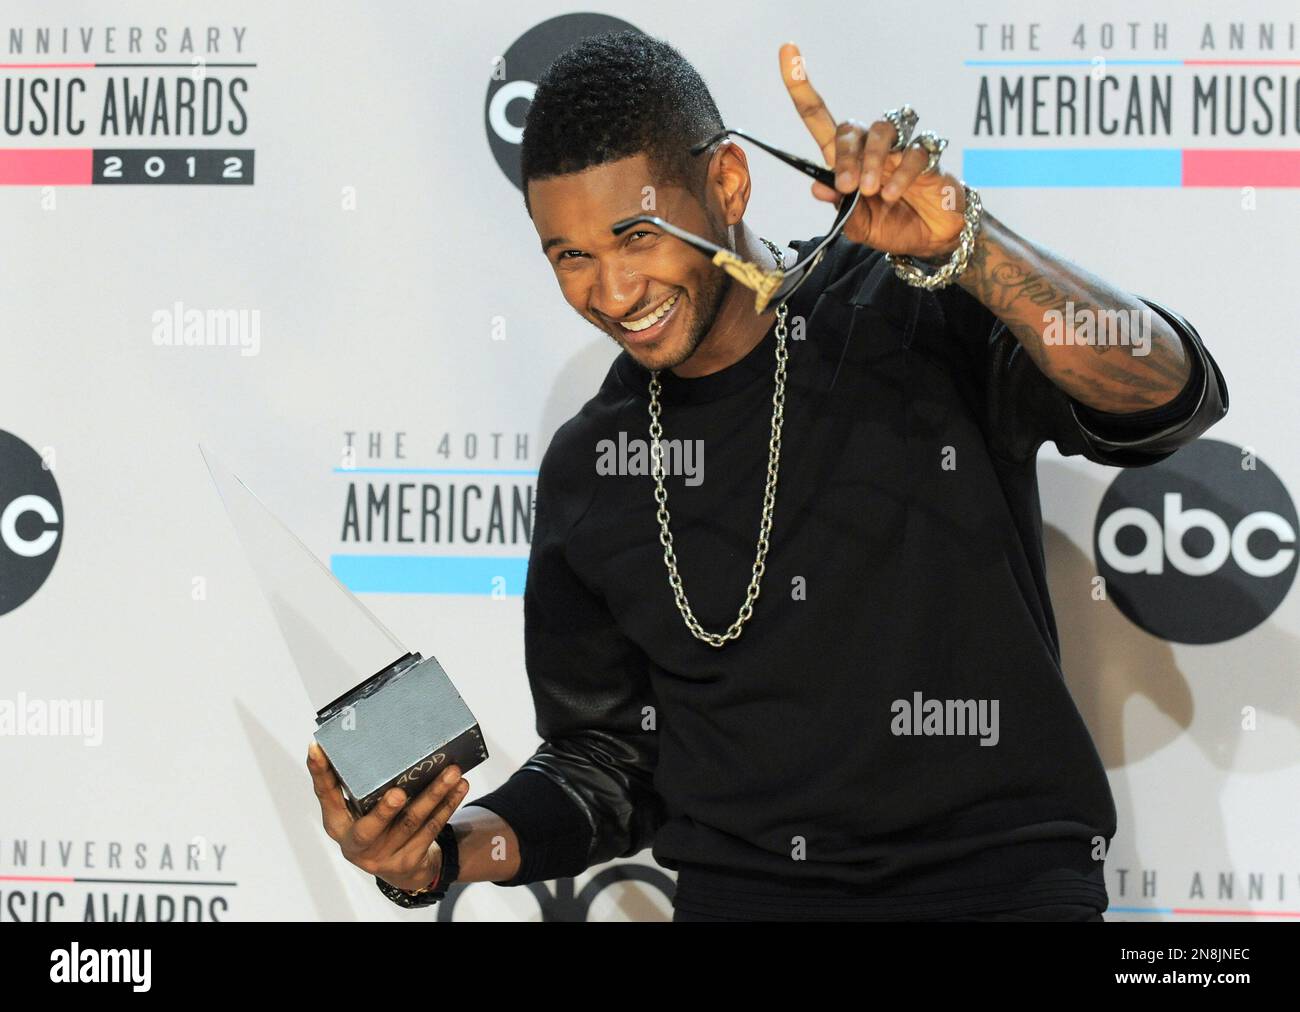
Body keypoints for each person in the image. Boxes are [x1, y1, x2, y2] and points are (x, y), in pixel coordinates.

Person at [307, 30, 1228, 922]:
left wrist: (971, 246)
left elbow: (1166, 398)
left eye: (637, 234)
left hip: (1001, 891)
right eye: (571, 256)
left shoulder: (911, 309)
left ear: (728, 183)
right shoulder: (594, 463)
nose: (612, 291)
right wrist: (443, 853)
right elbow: (606, 761)